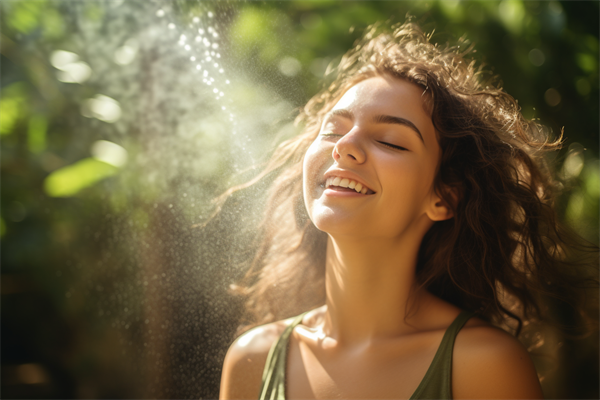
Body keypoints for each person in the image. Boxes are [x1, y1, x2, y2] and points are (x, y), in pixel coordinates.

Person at [218, 22, 597, 399]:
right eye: (332, 130)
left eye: (390, 142)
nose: (344, 146)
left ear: (443, 199)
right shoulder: (253, 358)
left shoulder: (483, 365)